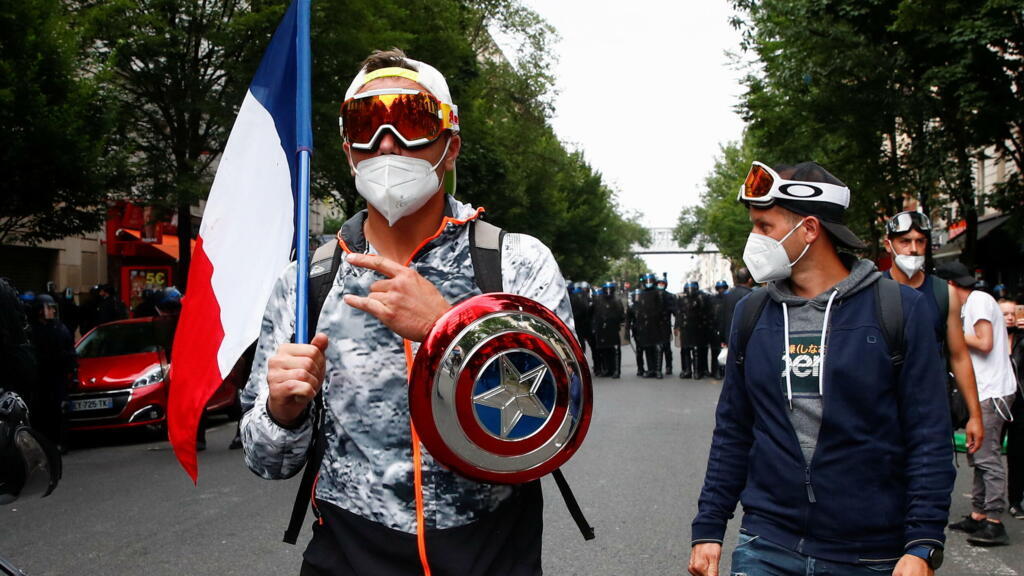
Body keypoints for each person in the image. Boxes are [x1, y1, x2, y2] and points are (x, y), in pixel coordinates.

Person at [240, 49, 574, 575]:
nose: (387, 143)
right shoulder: (306, 281)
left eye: (412, 121)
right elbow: (266, 460)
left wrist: (449, 328)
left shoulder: (515, 262)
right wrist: (284, 413)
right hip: (349, 550)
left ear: (450, 144)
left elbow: (554, 427)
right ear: (348, 149)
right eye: (367, 123)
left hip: (489, 550)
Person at [689, 161, 954, 576]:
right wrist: (709, 526)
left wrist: (922, 542)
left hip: (870, 553)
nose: (753, 240)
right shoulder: (751, 314)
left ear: (809, 229)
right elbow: (734, 428)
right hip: (766, 543)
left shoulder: (900, 310)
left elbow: (928, 433)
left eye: (764, 226)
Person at [884, 211, 984, 453]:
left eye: (920, 241)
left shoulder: (943, 293)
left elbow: (959, 356)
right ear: (889, 245)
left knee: (932, 488)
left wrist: (975, 415)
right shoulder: (871, 292)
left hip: (931, 418)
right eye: (905, 241)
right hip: (882, 418)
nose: (913, 249)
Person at [944, 261, 1018, 546]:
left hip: (992, 390)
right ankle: (978, 514)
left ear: (951, 285)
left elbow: (984, 342)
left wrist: (949, 332)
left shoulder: (978, 300)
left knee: (988, 457)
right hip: (983, 390)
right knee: (979, 454)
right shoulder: (974, 302)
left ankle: (994, 520)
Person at [28, 294, 77, 453]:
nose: (52, 311)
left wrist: (71, 370)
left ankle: (60, 442)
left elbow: (70, 351)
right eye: (48, 308)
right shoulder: (32, 330)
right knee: (42, 411)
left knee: (59, 411)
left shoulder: (59, 328)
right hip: (41, 378)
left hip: (57, 377)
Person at [999, 298, 1024, 519]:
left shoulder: (1021, 339)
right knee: (986, 455)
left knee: (1017, 454)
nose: (1009, 317)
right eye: (1004, 313)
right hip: (996, 401)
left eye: (1012, 313)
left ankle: (1015, 500)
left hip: (1019, 403)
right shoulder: (990, 338)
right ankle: (986, 505)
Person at [632, 273, 666, 378]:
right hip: (644, 326)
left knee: (657, 348)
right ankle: (651, 370)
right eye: (646, 281)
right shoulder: (641, 294)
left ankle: (658, 370)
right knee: (648, 348)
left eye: (650, 281)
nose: (648, 283)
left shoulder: (658, 293)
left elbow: (662, 309)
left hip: (656, 324)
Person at [590, 282, 624, 378]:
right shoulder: (598, 301)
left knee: (615, 350)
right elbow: (592, 313)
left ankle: (616, 370)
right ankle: (608, 369)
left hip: (613, 328)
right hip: (601, 329)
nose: (608, 291)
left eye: (610, 289)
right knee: (604, 350)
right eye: (606, 289)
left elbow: (621, 316)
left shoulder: (617, 301)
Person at [676, 281, 708, 380]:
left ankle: (696, 371)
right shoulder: (681, 299)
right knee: (686, 349)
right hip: (687, 328)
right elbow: (678, 314)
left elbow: (705, 314)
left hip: (696, 328)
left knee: (695, 349)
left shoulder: (701, 298)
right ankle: (688, 370)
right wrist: (677, 326)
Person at [656, 277, 676, 376]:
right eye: (659, 283)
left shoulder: (669, 296)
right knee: (656, 348)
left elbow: (674, 311)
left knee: (666, 347)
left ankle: (669, 367)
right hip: (654, 326)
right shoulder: (652, 295)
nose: (660, 285)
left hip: (665, 325)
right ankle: (656, 368)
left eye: (662, 283)